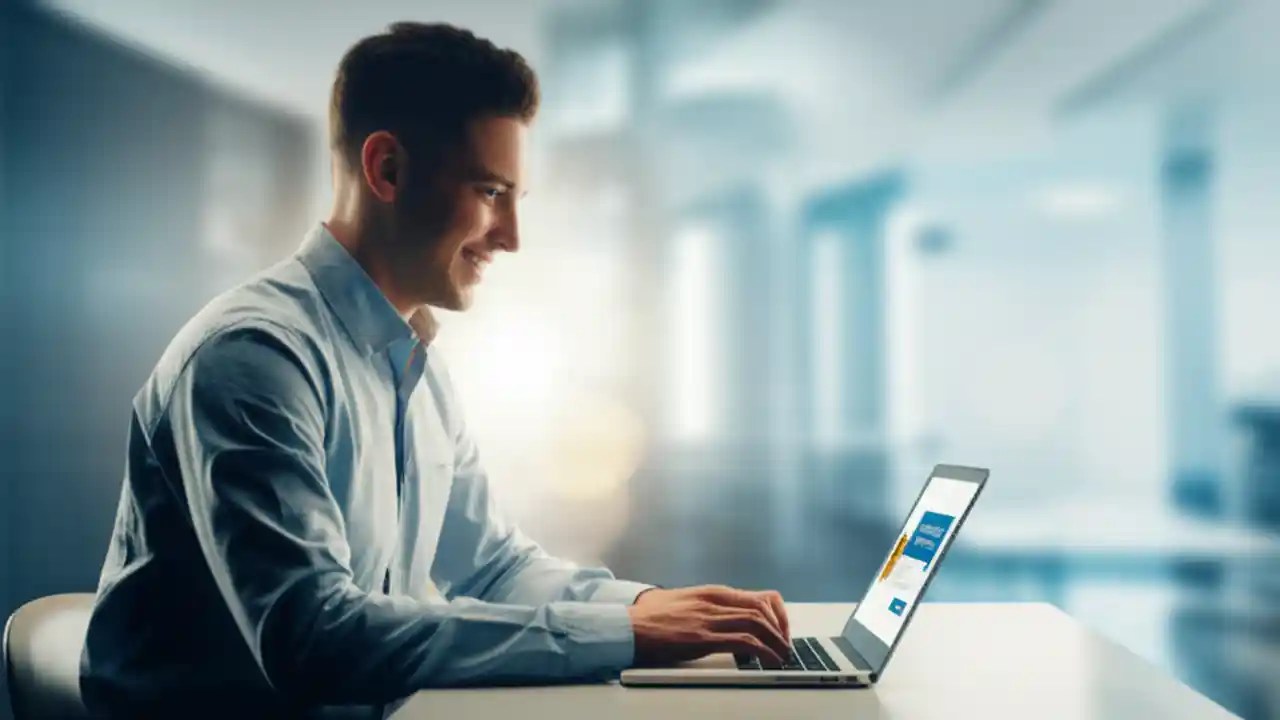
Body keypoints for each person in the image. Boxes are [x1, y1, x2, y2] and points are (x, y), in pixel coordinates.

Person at [80, 22, 790, 718]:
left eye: (516, 198)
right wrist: (625, 637)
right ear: (386, 169)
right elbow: (314, 637)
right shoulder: (253, 360)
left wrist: (644, 607)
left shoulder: (413, 360)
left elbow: (492, 567)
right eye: (489, 192)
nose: (511, 238)